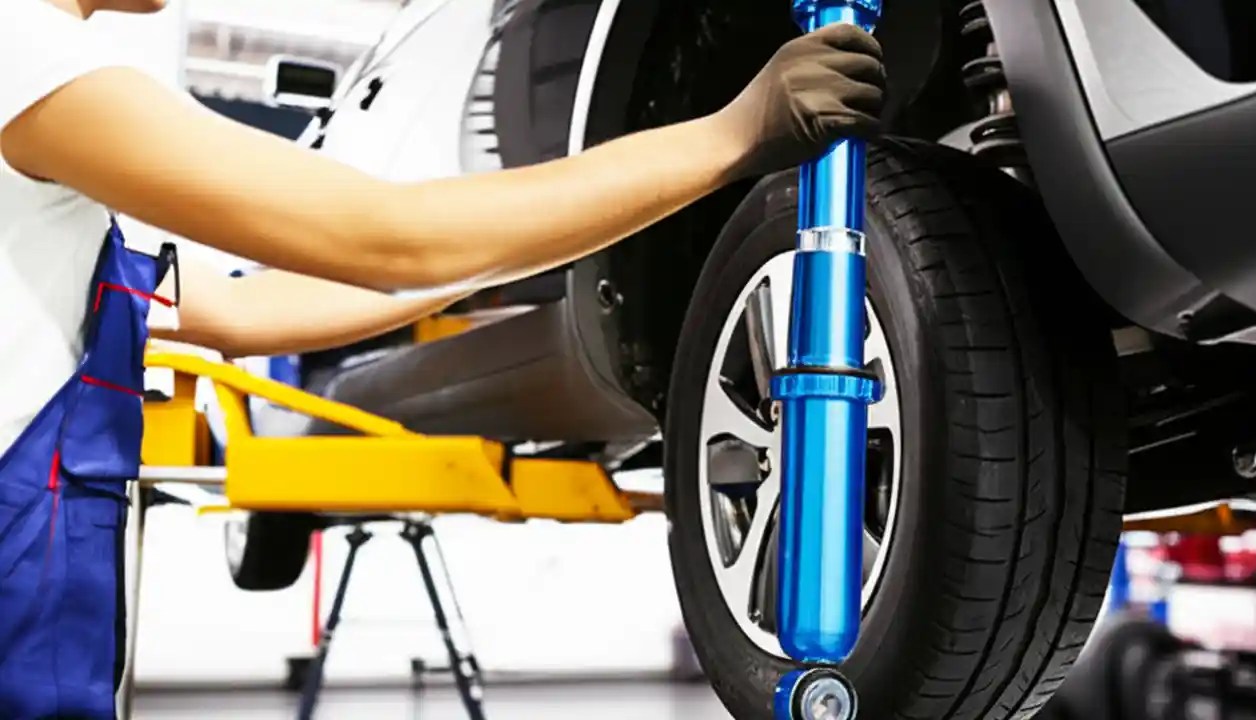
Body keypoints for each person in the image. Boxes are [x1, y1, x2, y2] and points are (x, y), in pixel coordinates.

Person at [0, 0, 886, 716]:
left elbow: (242, 307)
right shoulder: (26, 53)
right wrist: (727, 136)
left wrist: (553, 233)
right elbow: (391, 239)